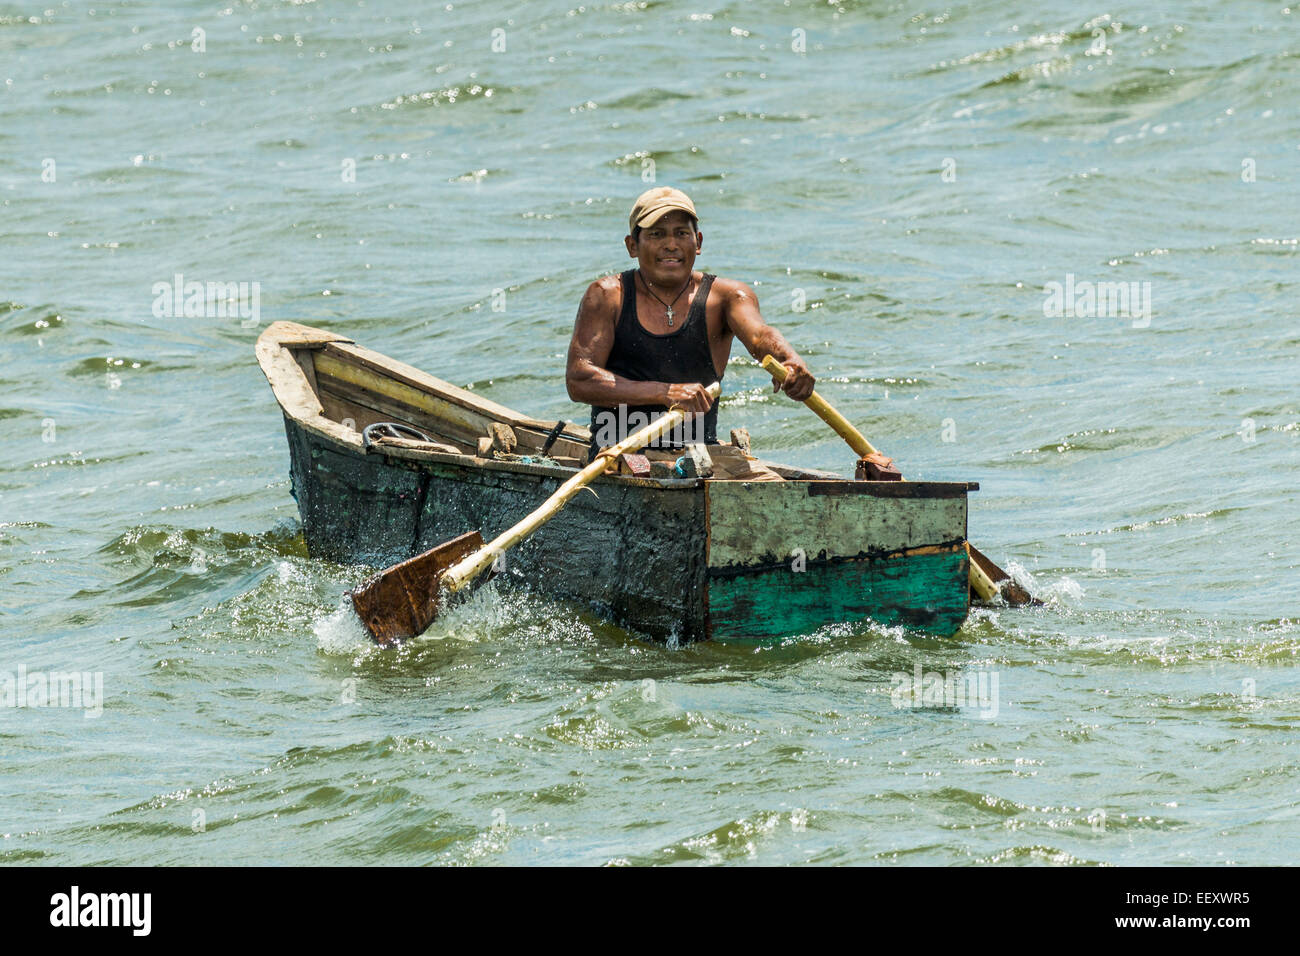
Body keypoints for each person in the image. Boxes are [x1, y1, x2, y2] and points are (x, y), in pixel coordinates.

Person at [565, 186, 815, 469]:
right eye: (656, 234)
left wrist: (789, 360)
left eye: (681, 234)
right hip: (617, 459)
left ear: (697, 242)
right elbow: (579, 380)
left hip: (699, 462)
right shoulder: (607, 296)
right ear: (632, 246)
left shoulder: (727, 297)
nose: (670, 245)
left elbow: (761, 336)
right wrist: (665, 392)